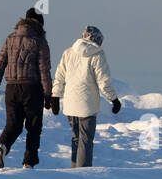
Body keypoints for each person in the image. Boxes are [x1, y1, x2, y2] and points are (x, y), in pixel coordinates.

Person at [50, 25, 122, 168]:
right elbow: (103, 82)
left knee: (76, 138)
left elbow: (59, 77)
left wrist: (55, 96)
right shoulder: (97, 55)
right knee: (86, 140)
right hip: (87, 106)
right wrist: (114, 99)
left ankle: (74, 168)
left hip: (70, 103)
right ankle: (83, 172)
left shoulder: (68, 52)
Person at [0, 7, 52, 169]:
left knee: (13, 125)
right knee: (33, 127)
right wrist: (48, 95)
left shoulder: (10, 38)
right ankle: (28, 162)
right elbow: (44, 70)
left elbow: (0, 64)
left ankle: (2, 146)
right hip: (32, 89)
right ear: (40, 23)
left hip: (11, 89)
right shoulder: (39, 41)